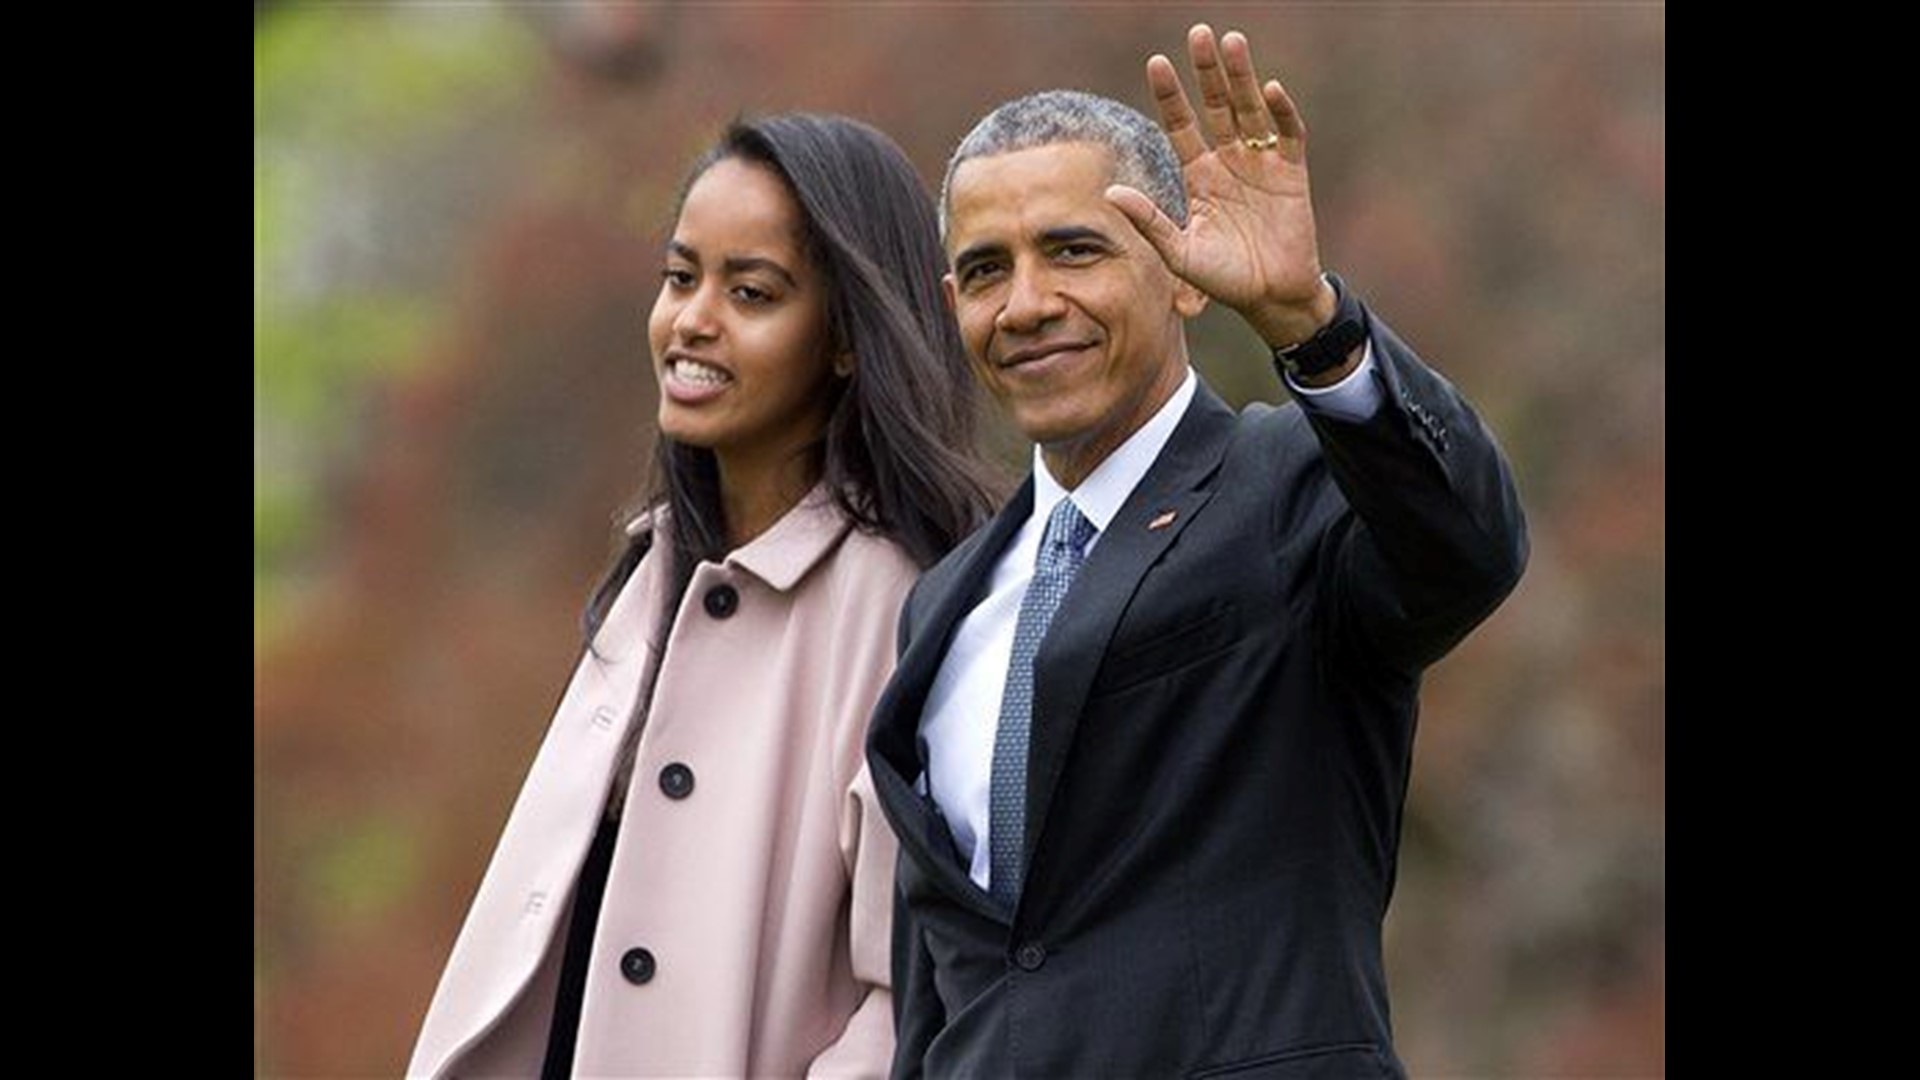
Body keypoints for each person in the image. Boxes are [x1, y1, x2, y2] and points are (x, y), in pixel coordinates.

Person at [865, 24, 1528, 1079]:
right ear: (955, 308)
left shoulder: (1291, 486)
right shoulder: (945, 602)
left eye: (1075, 249)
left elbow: (1468, 547)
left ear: (1179, 269)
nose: (1029, 303)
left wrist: (1312, 323)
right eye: (988, 270)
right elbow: (948, 988)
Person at [408, 113, 998, 1079]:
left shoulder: (904, 605)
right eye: (681, 278)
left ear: (848, 337)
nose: (691, 320)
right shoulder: (655, 572)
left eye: (751, 292)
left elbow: (915, 989)